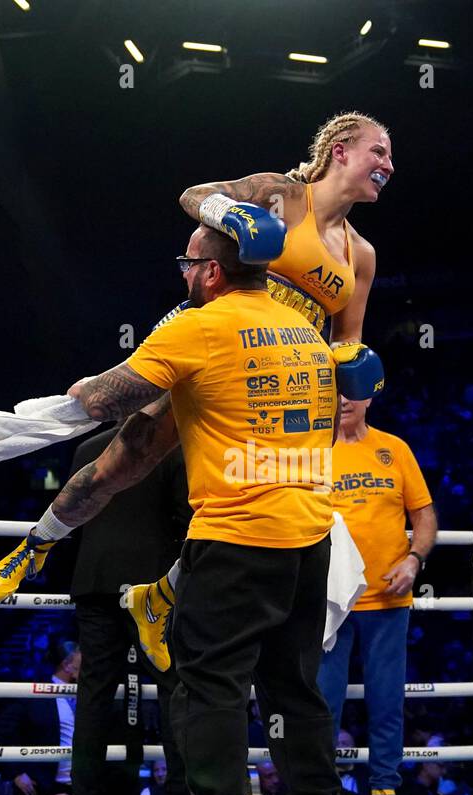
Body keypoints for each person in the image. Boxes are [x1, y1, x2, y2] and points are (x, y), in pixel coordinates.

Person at [0, 225, 363, 795]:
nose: (183, 273)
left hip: (236, 535)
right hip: (309, 534)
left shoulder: (200, 327)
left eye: (189, 262)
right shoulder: (302, 331)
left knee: (206, 689)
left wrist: (71, 397)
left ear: (211, 274)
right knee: (295, 690)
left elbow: (103, 403)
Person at [123, 111, 394, 672]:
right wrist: (231, 220)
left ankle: (162, 597)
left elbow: (348, 339)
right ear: (340, 150)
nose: (389, 165)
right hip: (222, 350)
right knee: (135, 446)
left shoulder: (361, 254)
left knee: (273, 498)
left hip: (291, 381)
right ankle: (48, 539)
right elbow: (194, 199)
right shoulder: (282, 198)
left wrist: (353, 384)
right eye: (379, 151)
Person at [283, 393, 435, 795]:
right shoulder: (309, 449)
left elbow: (423, 516)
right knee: (320, 705)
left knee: (387, 702)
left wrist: (414, 560)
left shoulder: (395, 449)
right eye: (336, 391)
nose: (344, 400)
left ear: (369, 396)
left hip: (387, 601)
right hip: (327, 602)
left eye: (353, 392)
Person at [64, 426, 191, 795]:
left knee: (94, 695)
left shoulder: (86, 448)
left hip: (97, 581)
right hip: (152, 586)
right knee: (174, 690)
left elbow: (71, 515)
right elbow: (185, 516)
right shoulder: (171, 447)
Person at [0, 645, 78, 795]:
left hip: (79, 788)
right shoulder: (36, 694)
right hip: (41, 788)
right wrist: (16, 773)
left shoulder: (86, 694)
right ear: (67, 665)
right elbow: (0, 731)